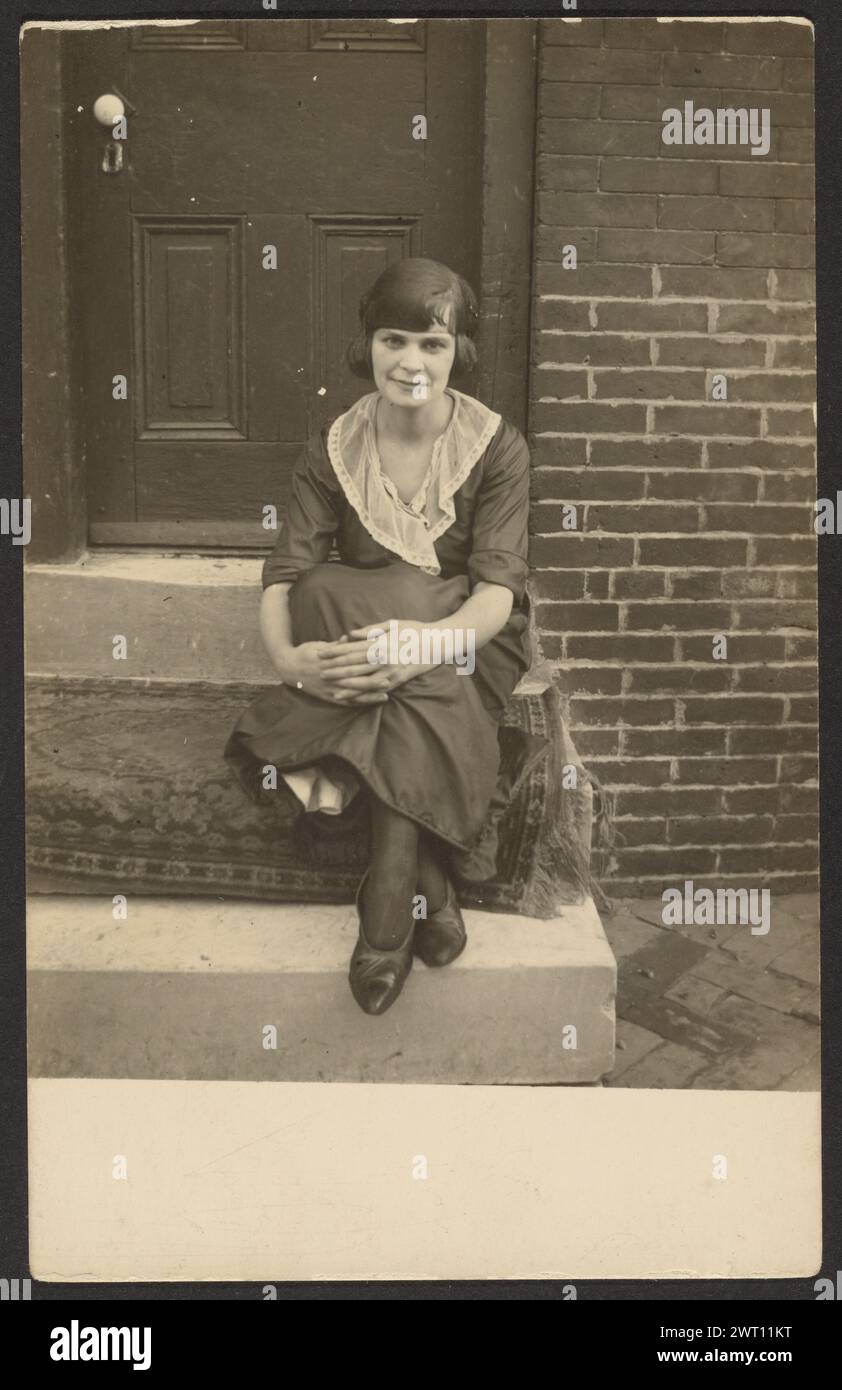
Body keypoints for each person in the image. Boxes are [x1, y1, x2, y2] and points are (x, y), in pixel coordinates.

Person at [225, 258, 532, 1016]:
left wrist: (422, 645)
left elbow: (496, 589)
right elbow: (285, 573)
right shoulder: (334, 445)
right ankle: (431, 875)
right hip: (366, 636)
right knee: (328, 589)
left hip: (464, 638)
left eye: (432, 343)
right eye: (393, 339)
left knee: (401, 604)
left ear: (459, 351)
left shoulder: (496, 447)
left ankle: (392, 885)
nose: (411, 362)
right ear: (367, 346)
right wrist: (293, 663)